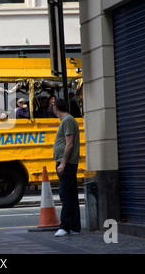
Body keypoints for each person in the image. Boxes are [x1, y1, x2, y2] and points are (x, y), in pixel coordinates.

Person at [52, 98, 81, 237]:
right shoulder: (66, 120)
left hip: (68, 164)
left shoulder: (68, 120)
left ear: (56, 108)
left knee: (66, 195)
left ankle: (65, 226)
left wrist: (63, 163)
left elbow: (69, 144)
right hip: (67, 163)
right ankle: (74, 226)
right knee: (71, 195)